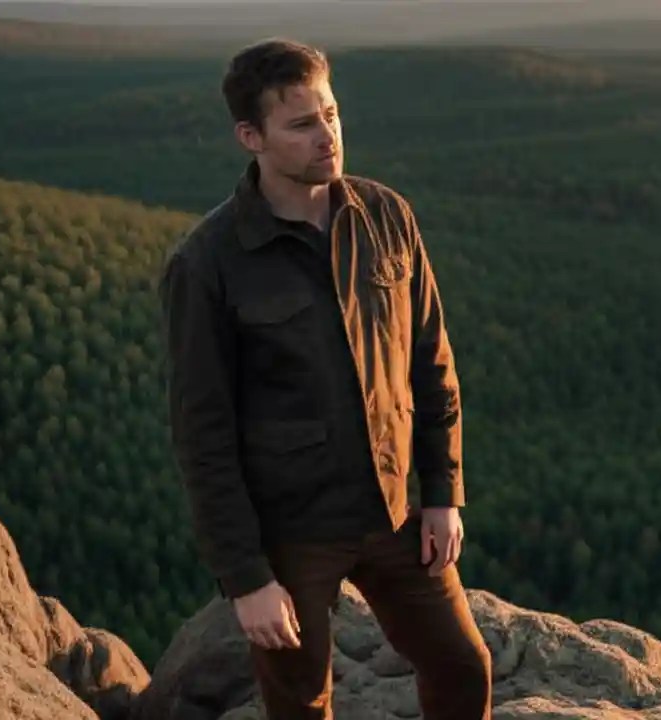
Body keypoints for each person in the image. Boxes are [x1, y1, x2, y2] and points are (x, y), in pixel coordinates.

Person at [157, 37, 492, 719]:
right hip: (292, 533)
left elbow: (431, 366)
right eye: (302, 124)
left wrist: (443, 492)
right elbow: (203, 434)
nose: (327, 137)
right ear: (250, 136)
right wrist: (247, 579)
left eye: (332, 115)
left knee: (462, 666)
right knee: (300, 702)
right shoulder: (208, 262)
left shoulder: (388, 217)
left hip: (396, 512)